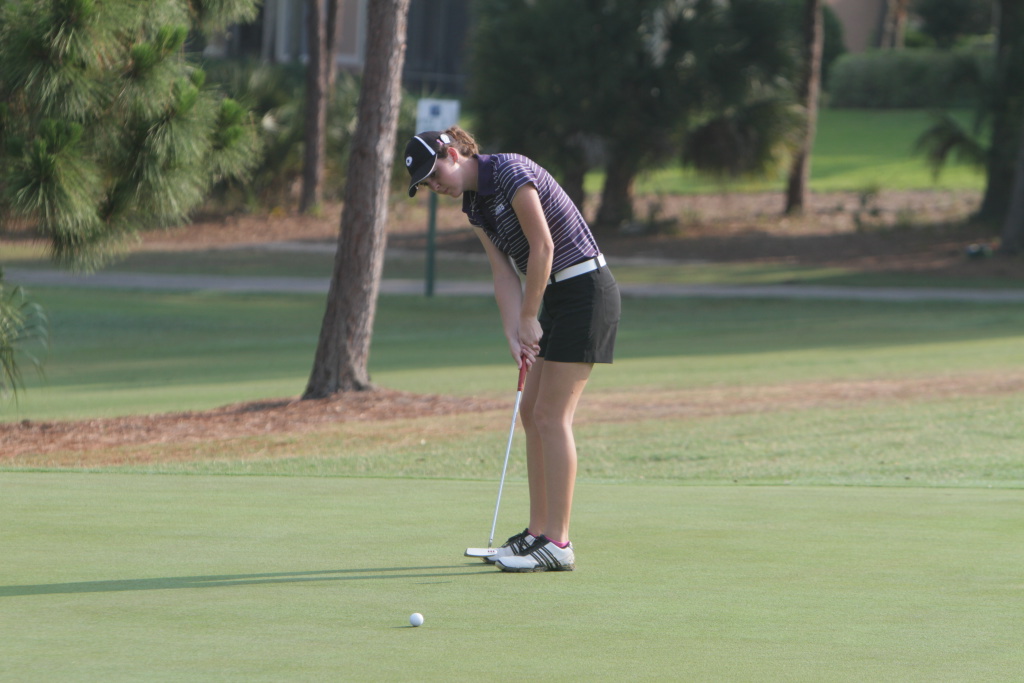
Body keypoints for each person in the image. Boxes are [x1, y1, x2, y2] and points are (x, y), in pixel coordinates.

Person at [404, 127, 620, 573]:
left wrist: (528, 316)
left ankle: (558, 542)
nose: (434, 185)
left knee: (550, 415)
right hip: (555, 298)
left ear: (453, 152)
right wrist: (513, 331)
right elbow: (504, 274)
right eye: (426, 183)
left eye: (434, 173)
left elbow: (543, 246)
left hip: (585, 291)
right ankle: (537, 532)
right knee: (530, 414)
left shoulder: (510, 172)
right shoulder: (474, 206)